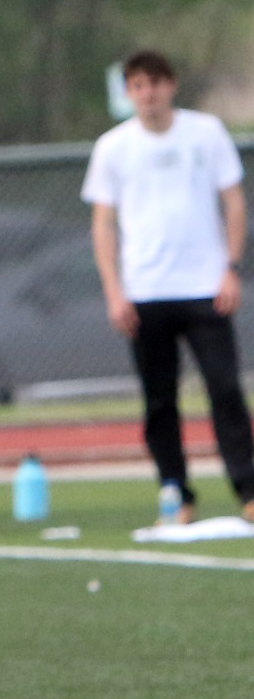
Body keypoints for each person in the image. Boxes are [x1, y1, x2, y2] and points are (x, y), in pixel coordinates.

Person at [85, 50, 254, 525]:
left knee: (225, 391)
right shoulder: (113, 147)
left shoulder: (206, 133)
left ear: (171, 85)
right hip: (145, 291)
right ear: (128, 92)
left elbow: (233, 202)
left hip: (204, 287)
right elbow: (103, 224)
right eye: (138, 86)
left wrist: (230, 267)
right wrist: (114, 291)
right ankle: (176, 492)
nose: (149, 94)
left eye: (155, 83)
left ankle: (248, 490)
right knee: (159, 400)